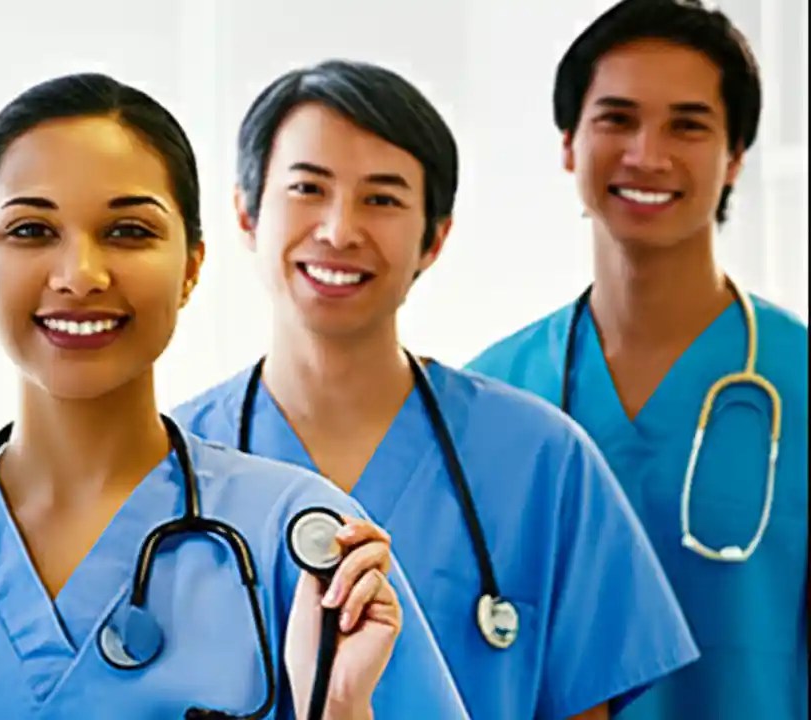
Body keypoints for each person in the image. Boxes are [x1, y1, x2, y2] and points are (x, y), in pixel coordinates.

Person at [0, 73, 469, 719]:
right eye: (33, 232)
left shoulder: (301, 548)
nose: (80, 275)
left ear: (193, 264)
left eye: (130, 232)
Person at [172, 59, 699, 719]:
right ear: (246, 214)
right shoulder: (171, 474)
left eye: (383, 198)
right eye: (308, 188)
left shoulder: (543, 462)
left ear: (435, 237)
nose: (339, 230)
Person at [467, 2, 808, 718]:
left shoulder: (799, 379)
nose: (647, 155)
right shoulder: (490, 396)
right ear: (568, 143)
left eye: (688, 125)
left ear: (735, 156)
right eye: (616, 119)